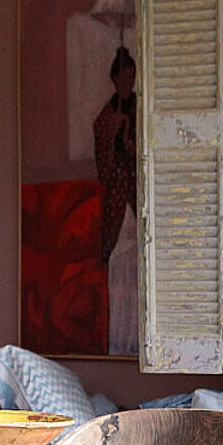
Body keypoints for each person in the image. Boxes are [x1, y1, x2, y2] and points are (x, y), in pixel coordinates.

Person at [93, 47, 139, 356]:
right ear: (114, 79)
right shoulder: (106, 118)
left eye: (132, 77)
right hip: (119, 199)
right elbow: (105, 168)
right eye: (123, 77)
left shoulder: (141, 110)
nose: (128, 83)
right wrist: (116, 132)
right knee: (120, 263)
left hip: (137, 194)